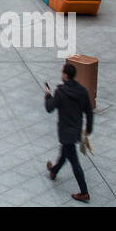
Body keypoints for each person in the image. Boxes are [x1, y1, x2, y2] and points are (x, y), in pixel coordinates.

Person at [45, 62, 94, 202]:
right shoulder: (83, 91)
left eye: (62, 72)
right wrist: (88, 129)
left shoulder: (60, 92)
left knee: (74, 161)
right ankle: (53, 171)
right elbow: (89, 112)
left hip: (65, 131)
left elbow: (49, 108)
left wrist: (48, 95)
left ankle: (84, 192)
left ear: (65, 75)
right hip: (76, 130)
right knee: (66, 152)